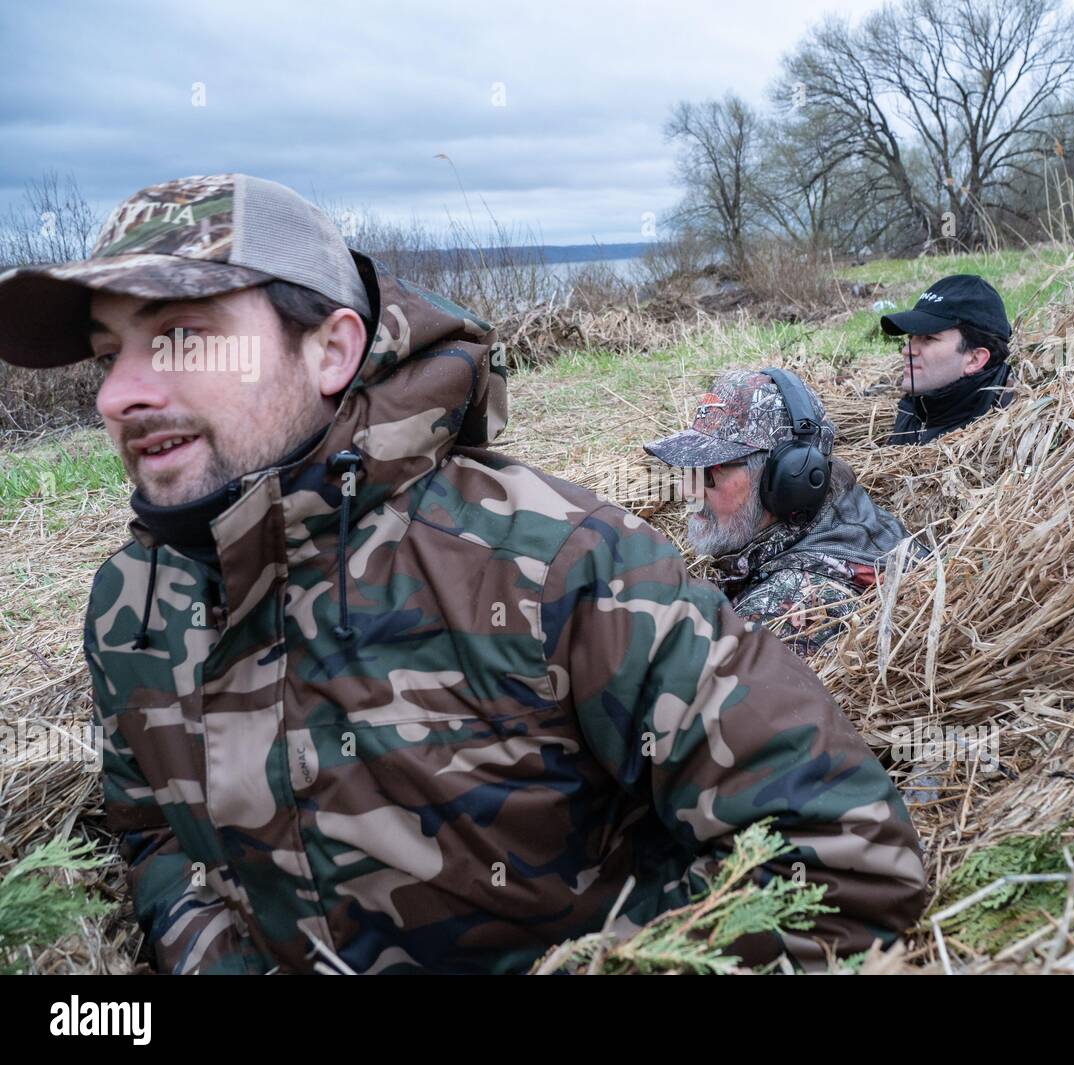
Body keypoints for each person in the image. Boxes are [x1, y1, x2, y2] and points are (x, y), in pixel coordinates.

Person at [0, 174, 927, 974]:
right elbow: (153, 835)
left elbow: (844, 861)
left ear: (331, 348)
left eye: (182, 337)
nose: (120, 394)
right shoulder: (131, 603)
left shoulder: (558, 561)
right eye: (109, 351)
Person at [644, 368, 915, 657]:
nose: (688, 490)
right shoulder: (848, 516)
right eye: (686, 470)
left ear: (787, 480)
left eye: (710, 473)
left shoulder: (787, 611)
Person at [881, 274, 1014, 444]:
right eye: (912, 336)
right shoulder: (916, 405)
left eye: (929, 338)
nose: (907, 350)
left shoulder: (1003, 436)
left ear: (974, 359)